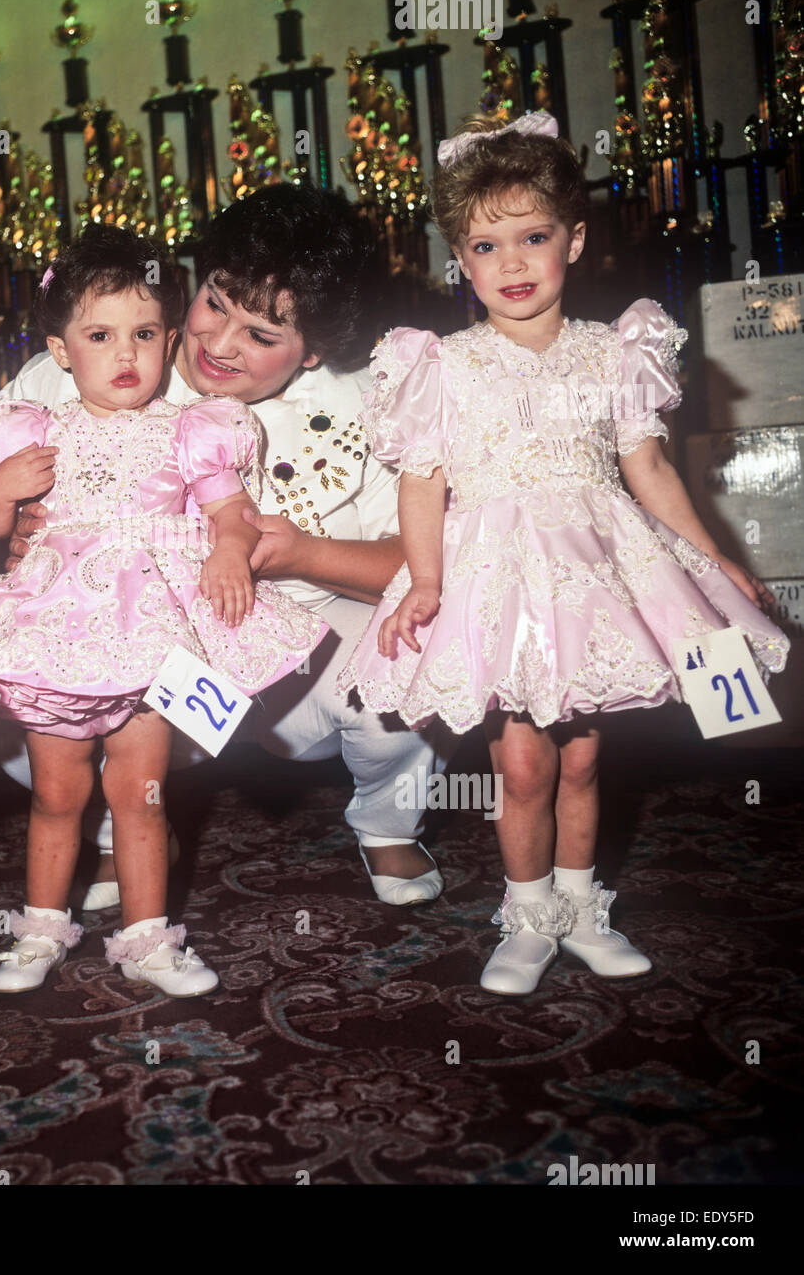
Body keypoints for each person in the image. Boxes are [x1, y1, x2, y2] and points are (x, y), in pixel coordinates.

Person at [338, 111, 789, 995]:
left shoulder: (612, 350)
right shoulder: (443, 364)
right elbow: (421, 481)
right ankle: (528, 914)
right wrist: (424, 582)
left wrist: (715, 560)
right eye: (483, 246)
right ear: (457, 261)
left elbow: (648, 470)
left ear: (573, 241)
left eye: (532, 238)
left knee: (582, 754)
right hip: (495, 575)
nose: (509, 264)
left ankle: (581, 908)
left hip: (596, 568)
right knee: (520, 760)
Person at [0, 185, 451, 910]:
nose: (217, 343)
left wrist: (300, 554)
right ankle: (127, 826)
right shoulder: (93, 353)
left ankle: (387, 817)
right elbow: (0, 506)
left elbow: (428, 567)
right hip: (127, 636)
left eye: (262, 336)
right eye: (214, 303)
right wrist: (20, 521)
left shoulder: (363, 404)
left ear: (313, 355)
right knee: (19, 704)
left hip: (294, 648)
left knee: (419, 646)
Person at [0, 224, 327, 997]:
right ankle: (41, 929)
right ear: (60, 351)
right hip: (59, 631)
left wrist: (226, 548)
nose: (125, 355)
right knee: (58, 792)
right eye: (100, 335)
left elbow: (231, 511)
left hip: (154, 631)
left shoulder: (193, 428)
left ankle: (149, 937)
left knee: (139, 792)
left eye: (145, 334)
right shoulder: (34, 430)